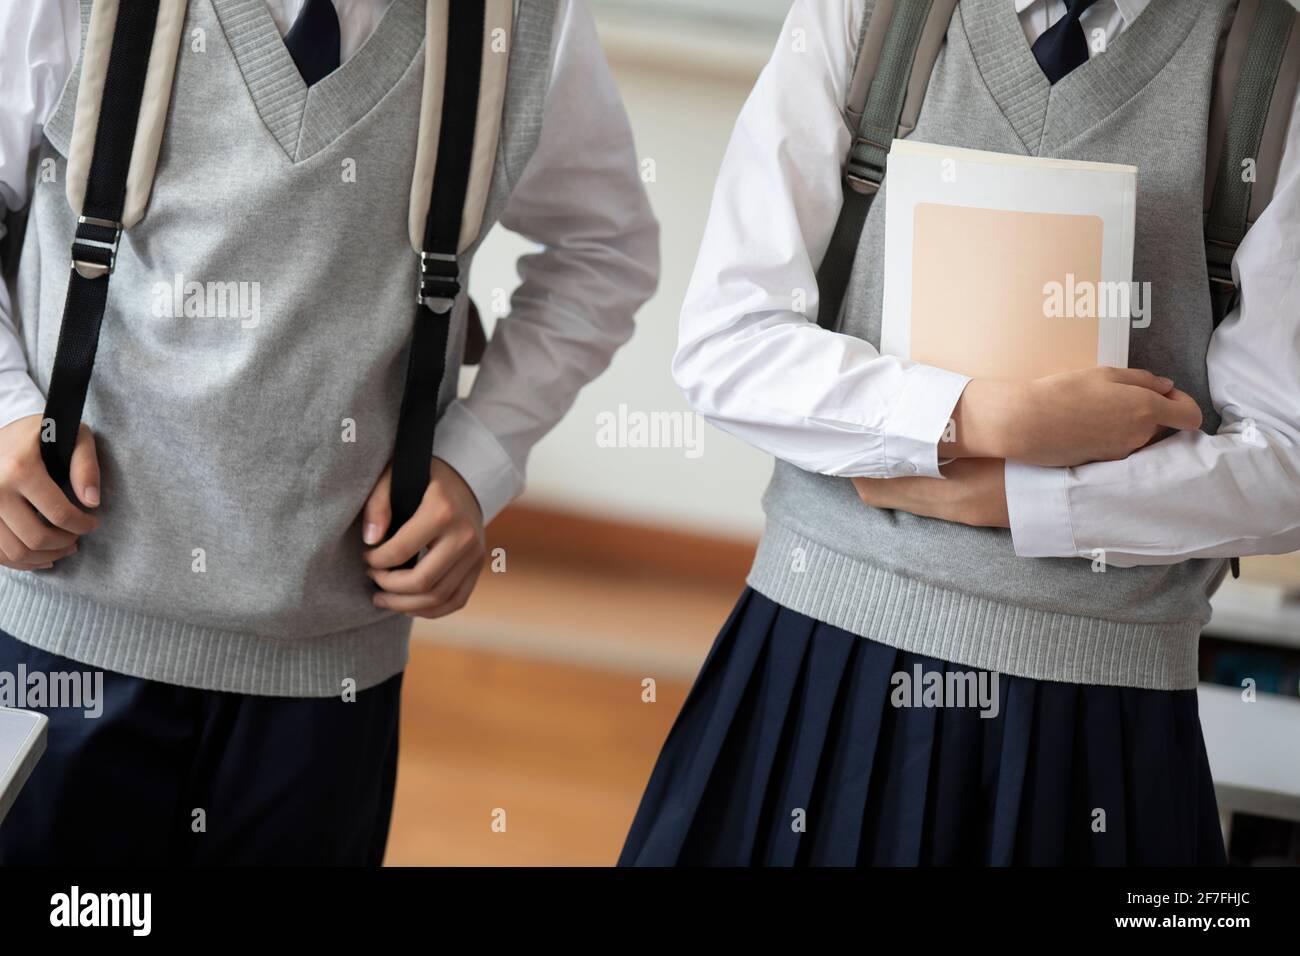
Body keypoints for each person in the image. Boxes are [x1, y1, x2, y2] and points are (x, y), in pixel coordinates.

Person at [621, 0, 1299, 866]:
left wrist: (1031, 498)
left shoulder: (1273, 66)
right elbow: (726, 344)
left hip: (1097, 717)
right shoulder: (864, 16)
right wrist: (985, 418)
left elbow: (1287, 460)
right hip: (822, 666)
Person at [0, 0, 658, 865]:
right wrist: (6, 407)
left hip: (327, 678)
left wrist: (476, 461)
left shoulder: (524, 19)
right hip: (61, 636)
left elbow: (604, 249)